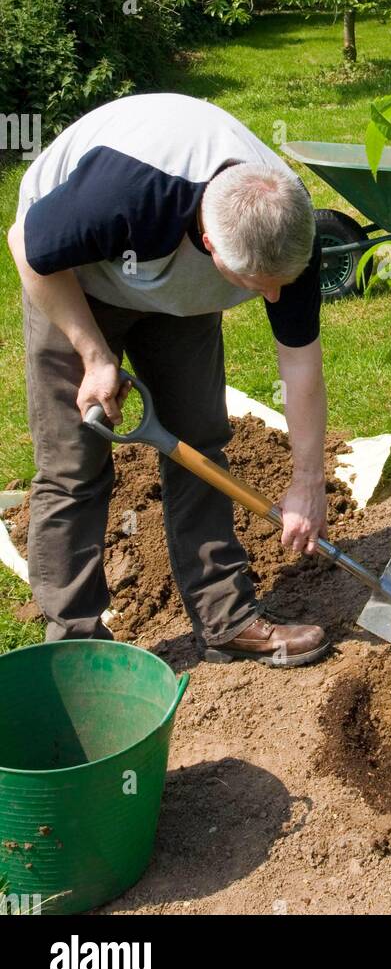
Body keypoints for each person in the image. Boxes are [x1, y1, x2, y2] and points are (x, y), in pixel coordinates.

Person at [7, 92, 330, 667]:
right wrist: (94, 354)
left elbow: (300, 362)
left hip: (174, 292)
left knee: (199, 440)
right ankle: (77, 653)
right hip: (74, 277)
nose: (275, 298)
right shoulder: (126, 194)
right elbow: (29, 250)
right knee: (74, 465)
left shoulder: (286, 229)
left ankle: (227, 619)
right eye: (257, 284)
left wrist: (308, 480)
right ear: (209, 244)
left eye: (282, 282)